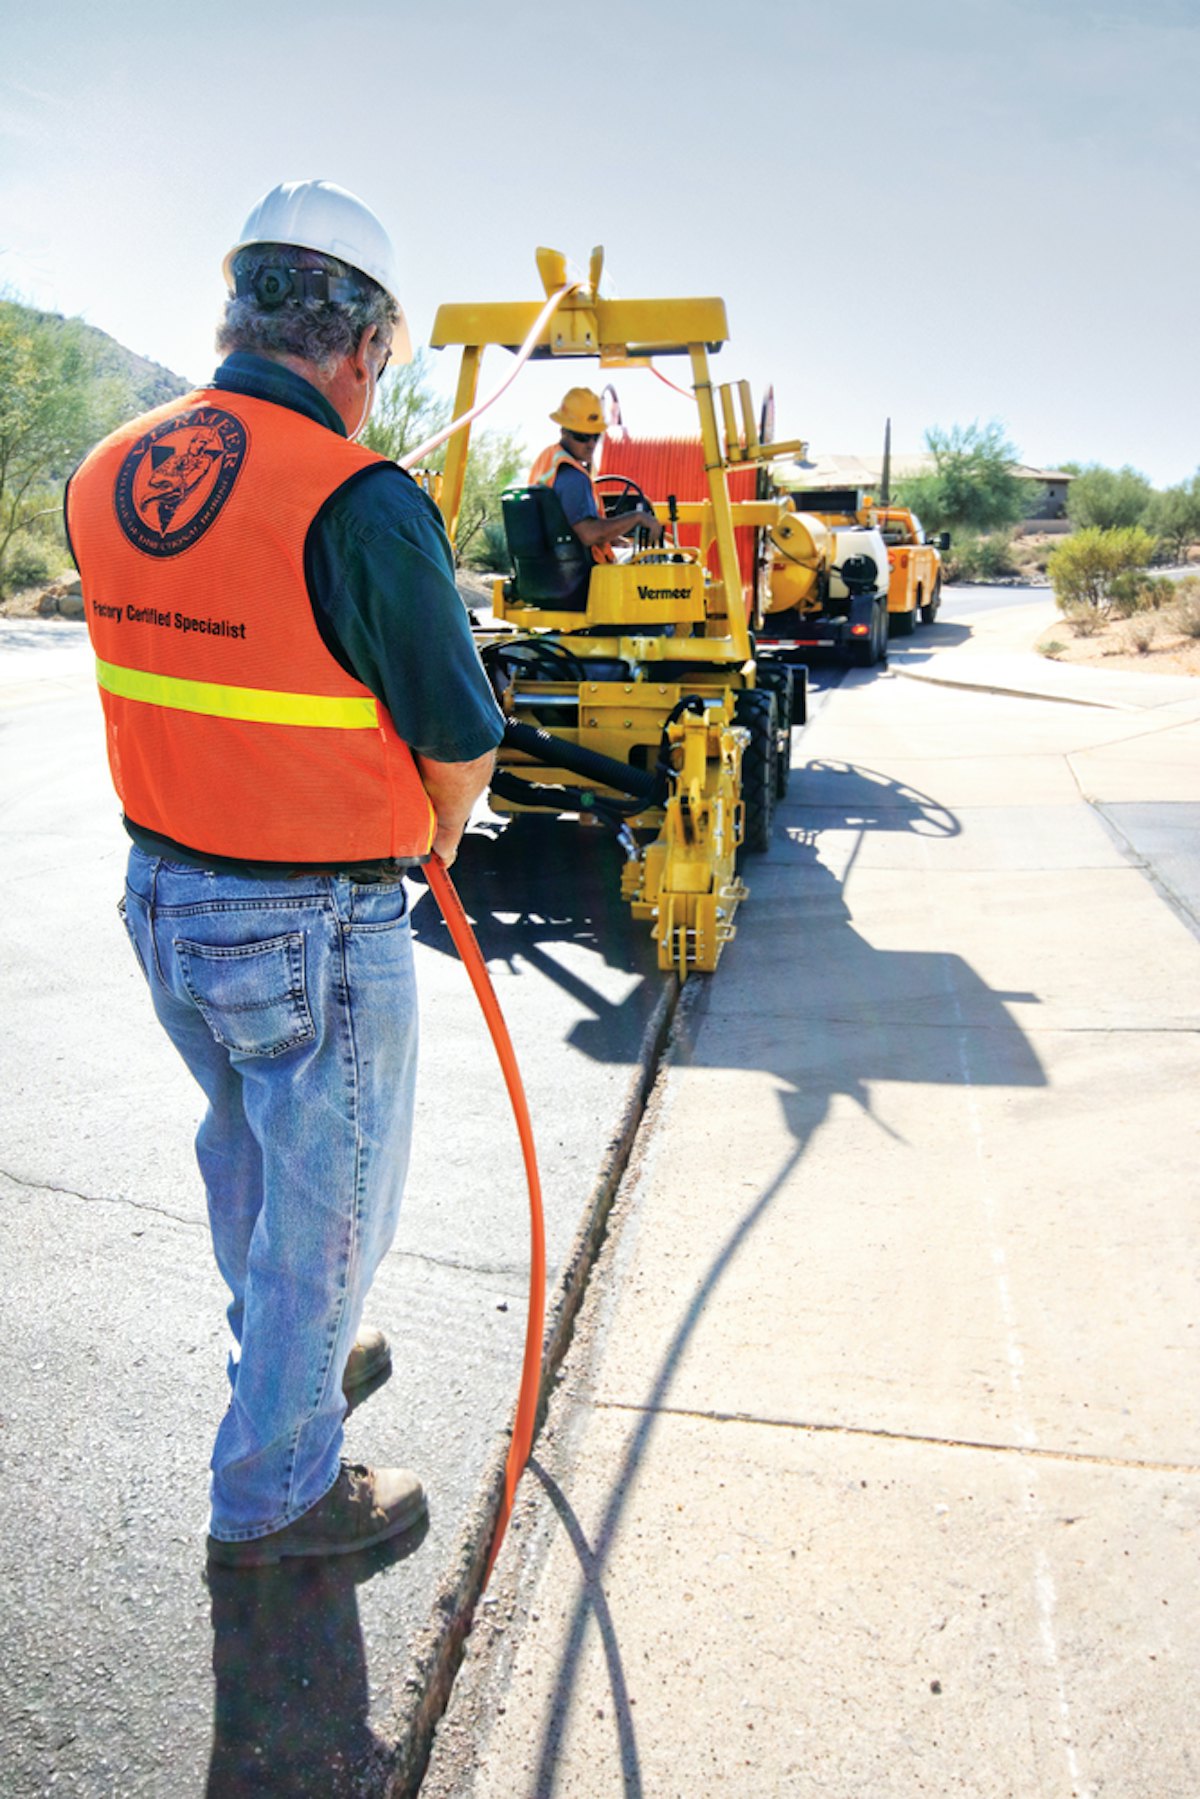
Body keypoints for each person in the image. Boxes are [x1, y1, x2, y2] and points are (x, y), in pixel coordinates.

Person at [65, 180, 504, 1568]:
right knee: (334, 1200)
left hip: (164, 896)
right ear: (366, 345)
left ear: (236, 307)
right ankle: (278, 1491)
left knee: (248, 1149)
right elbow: (458, 734)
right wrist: (436, 832)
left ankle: (295, 1350)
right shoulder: (364, 500)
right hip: (310, 918)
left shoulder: (107, 468)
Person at [528, 387, 664, 560]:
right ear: (564, 432)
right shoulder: (573, 477)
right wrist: (637, 517)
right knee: (658, 558)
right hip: (580, 571)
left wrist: (613, 538)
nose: (591, 444)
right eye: (582, 437)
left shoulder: (548, 460)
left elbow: (567, 525)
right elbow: (590, 534)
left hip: (553, 564)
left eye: (595, 436)